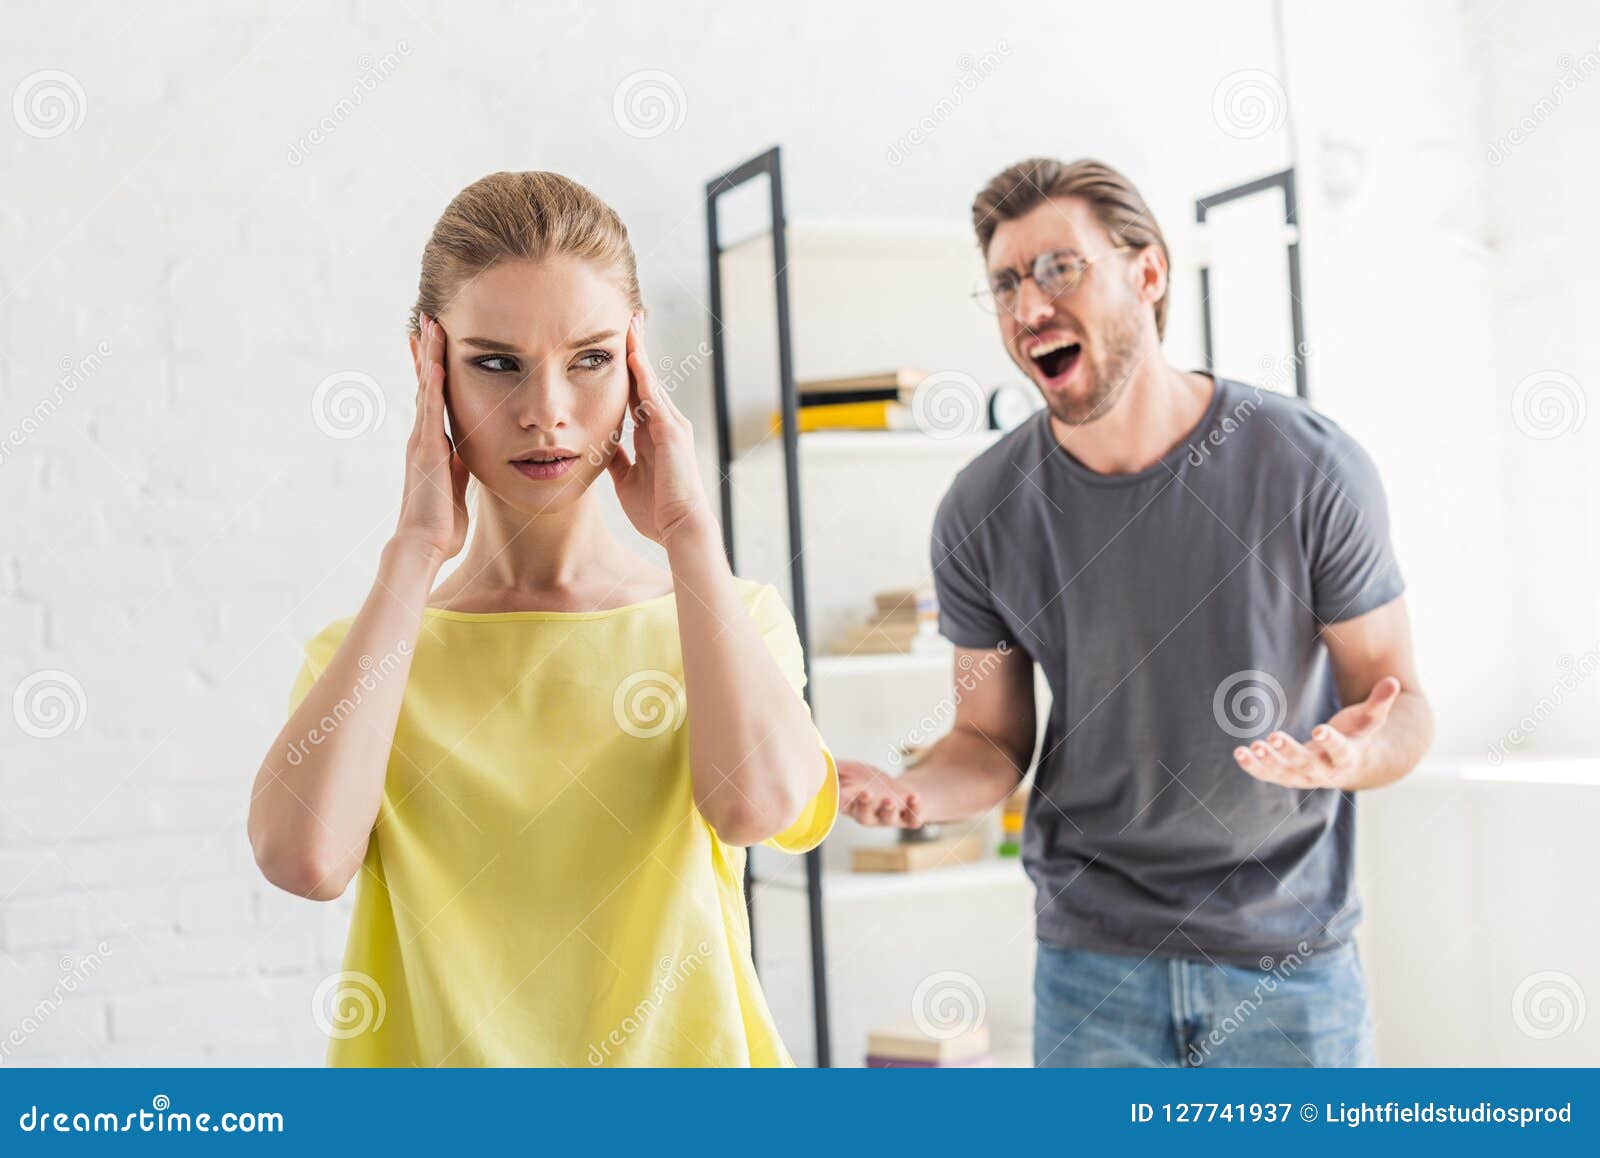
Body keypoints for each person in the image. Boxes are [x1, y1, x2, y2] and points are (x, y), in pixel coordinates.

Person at [836, 158, 1433, 1067]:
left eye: (1059, 268)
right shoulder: (982, 507)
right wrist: (915, 790)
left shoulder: (1307, 468)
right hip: (1093, 961)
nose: (1029, 305)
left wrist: (1352, 755)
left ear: (1148, 274)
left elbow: (1404, 708)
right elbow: (991, 742)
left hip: (1288, 962)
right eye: (1005, 283)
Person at [246, 171, 838, 1067]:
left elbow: (754, 805)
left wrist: (688, 535)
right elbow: (306, 861)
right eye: (497, 363)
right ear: (429, 367)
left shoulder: (730, 616)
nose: (546, 412)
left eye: (591, 359)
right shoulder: (370, 653)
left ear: (638, 360)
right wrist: (413, 550)